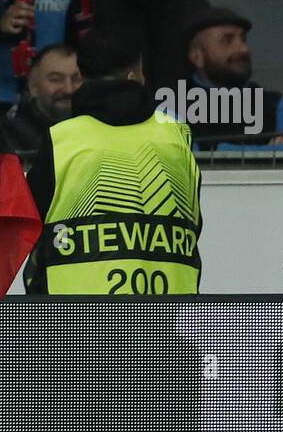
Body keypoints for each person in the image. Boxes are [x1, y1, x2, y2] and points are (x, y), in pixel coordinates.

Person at [23, 24, 202, 295]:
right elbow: (193, 223)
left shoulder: (62, 140)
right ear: (135, 75)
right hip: (167, 315)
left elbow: (32, 234)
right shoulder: (177, 136)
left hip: (76, 322)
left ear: (82, 76)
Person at [182, 4, 283, 152]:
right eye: (227, 40)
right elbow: (181, 159)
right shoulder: (175, 108)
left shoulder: (274, 104)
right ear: (197, 56)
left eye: (243, 39)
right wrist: (270, 152)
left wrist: (215, 149)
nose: (243, 48)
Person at [3, 42, 82, 155]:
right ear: (33, 86)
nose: (68, 89)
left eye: (76, 79)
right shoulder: (10, 135)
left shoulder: (102, 126)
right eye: (56, 79)